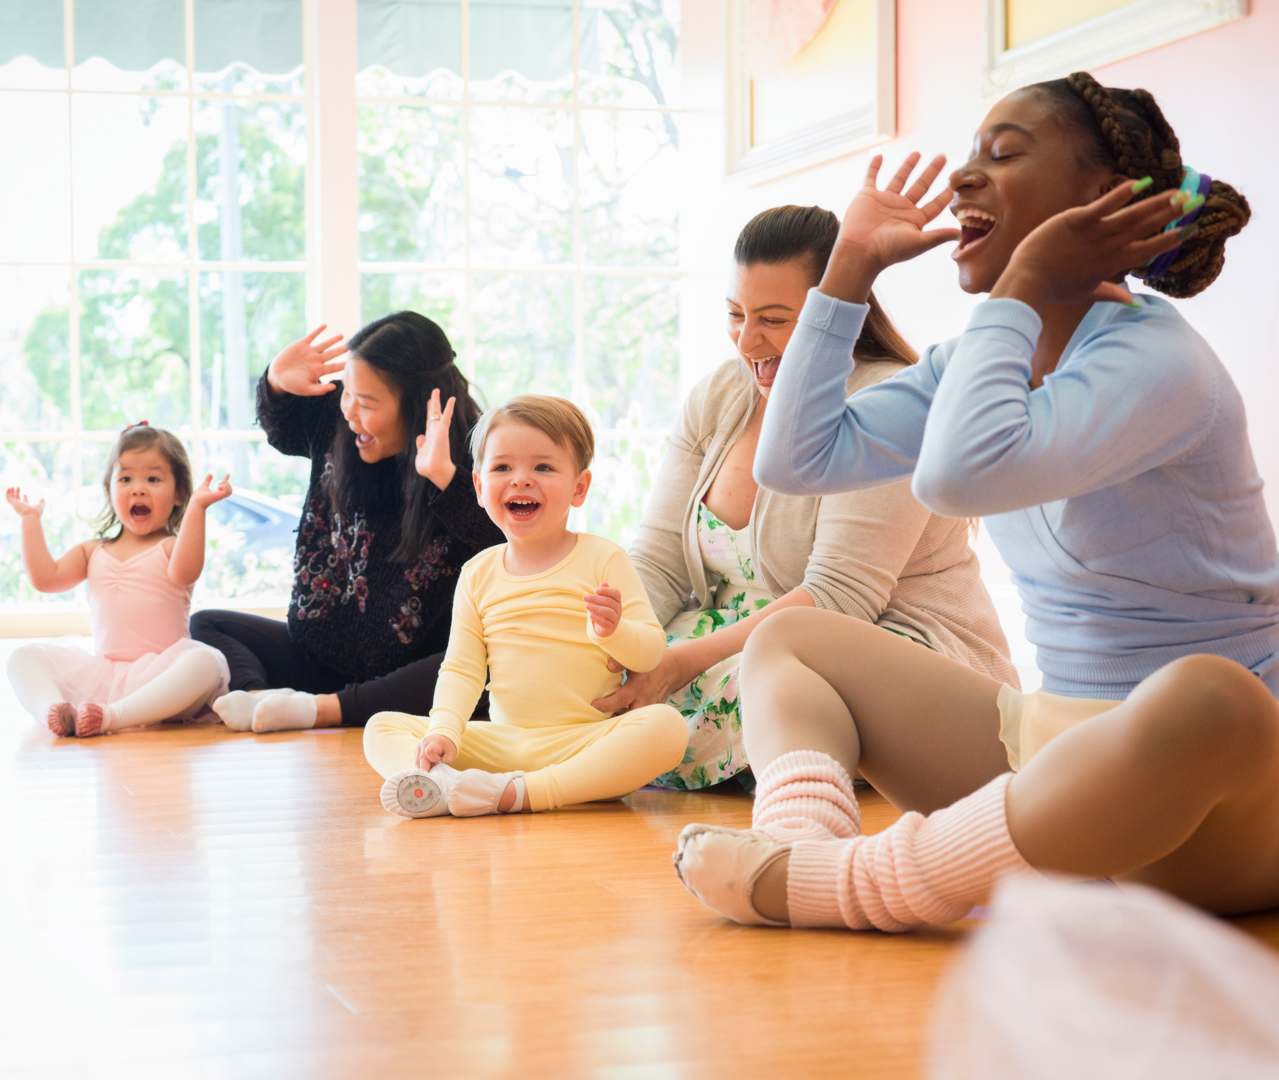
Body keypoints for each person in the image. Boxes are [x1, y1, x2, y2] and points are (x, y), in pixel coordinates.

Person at [673, 72, 1279, 929]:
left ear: (1100, 201)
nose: (962, 177)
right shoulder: (977, 359)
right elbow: (796, 457)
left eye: (1004, 154)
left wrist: (1023, 284)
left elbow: (959, 477)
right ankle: (798, 846)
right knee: (790, 638)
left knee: (1206, 695)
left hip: (1215, 799)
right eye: (968, 154)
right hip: (1050, 755)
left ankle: (863, 885)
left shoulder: (1160, 364)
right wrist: (847, 267)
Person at [606, 206, 1017, 790]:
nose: (748, 340)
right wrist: (618, 642)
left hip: (878, 640)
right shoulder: (721, 395)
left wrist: (675, 665)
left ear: (834, 313)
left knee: (751, 682)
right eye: (735, 314)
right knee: (587, 676)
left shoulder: (888, 400)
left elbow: (839, 597)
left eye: (774, 319)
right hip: (738, 635)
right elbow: (658, 557)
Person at [364, 396, 688, 817]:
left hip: (581, 741)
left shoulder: (604, 559)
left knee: (666, 728)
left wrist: (614, 632)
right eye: (502, 468)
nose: (521, 480)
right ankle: (438, 780)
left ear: (579, 488)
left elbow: (649, 652)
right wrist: (444, 733)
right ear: (479, 488)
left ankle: (526, 792)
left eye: (543, 467)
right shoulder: (478, 573)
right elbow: (462, 668)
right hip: (502, 742)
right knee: (381, 727)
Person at [191, 313, 503, 734]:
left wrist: (445, 478)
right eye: (347, 394)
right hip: (315, 656)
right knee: (208, 623)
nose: (350, 412)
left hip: (403, 678)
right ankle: (260, 700)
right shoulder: (338, 420)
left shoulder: (470, 453)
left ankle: (322, 711)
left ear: (417, 405)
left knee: (486, 662)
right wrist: (277, 382)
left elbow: (503, 542)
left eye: (368, 403)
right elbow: (282, 428)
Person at [5, 423, 232, 737]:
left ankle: (112, 717)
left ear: (179, 492)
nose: (138, 488)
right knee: (21, 658)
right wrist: (30, 521)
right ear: (109, 490)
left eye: (153, 479)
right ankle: (53, 711)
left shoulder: (171, 548)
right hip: (104, 676)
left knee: (205, 663)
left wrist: (198, 507)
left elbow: (185, 573)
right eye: (125, 479)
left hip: (161, 677)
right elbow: (46, 579)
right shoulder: (92, 551)